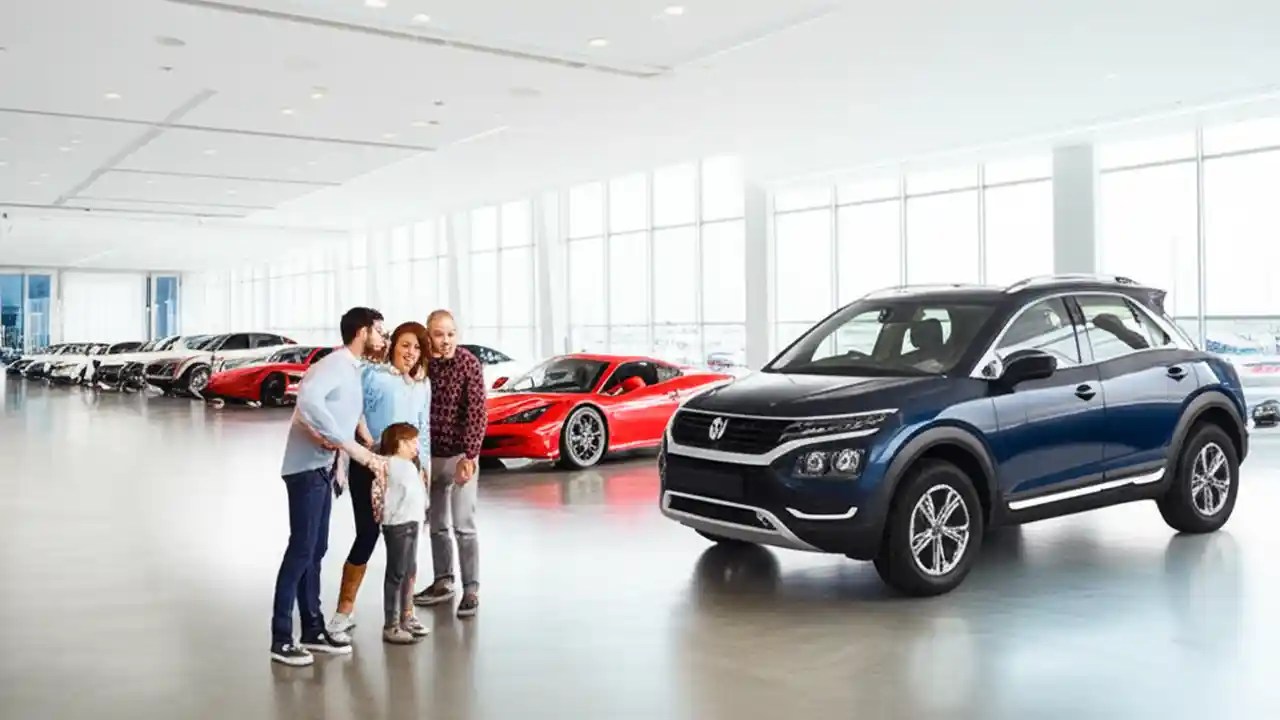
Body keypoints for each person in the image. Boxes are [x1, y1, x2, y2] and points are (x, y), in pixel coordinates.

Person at [270, 307, 387, 667]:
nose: (384, 338)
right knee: (302, 550)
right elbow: (308, 400)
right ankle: (281, 638)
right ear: (363, 331)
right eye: (380, 332)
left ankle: (312, 629)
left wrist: (364, 440)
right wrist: (336, 437)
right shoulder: (335, 364)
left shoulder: (352, 369)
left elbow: (345, 412)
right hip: (305, 470)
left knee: (316, 549)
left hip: (322, 470)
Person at [327, 322, 432, 641]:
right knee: (368, 534)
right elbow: (349, 405)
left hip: (408, 474)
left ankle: (406, 613)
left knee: (408, 543)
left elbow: (422, 428)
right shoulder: (372, 375)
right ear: (393, 345)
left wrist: (423, 467)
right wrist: (365, 439)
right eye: (406, 345)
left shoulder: (422, 385)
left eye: (417, 347)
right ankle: (343, 613)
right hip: (371, 467)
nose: (411, 352)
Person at [414, 309, 487, 618]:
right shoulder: (423, 365)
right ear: (428, 337)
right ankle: (444, 581)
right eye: (439, 335)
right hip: (430, 456)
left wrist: (470, 455)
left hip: (460, 456)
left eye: (450, 334)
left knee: (463, 525)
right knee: (437, 525)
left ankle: (471, 589)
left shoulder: (468, 363)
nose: (446, 341)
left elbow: (477, 412)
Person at [377, 422, 431, 644]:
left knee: (409, 570)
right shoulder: (393, 465)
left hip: (412, 522)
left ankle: (405, 617)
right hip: (398, 525)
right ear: (398, 443)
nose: (415, 446)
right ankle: (391, 624)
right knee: (397, 573)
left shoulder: (409, 465)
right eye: (411, 442)